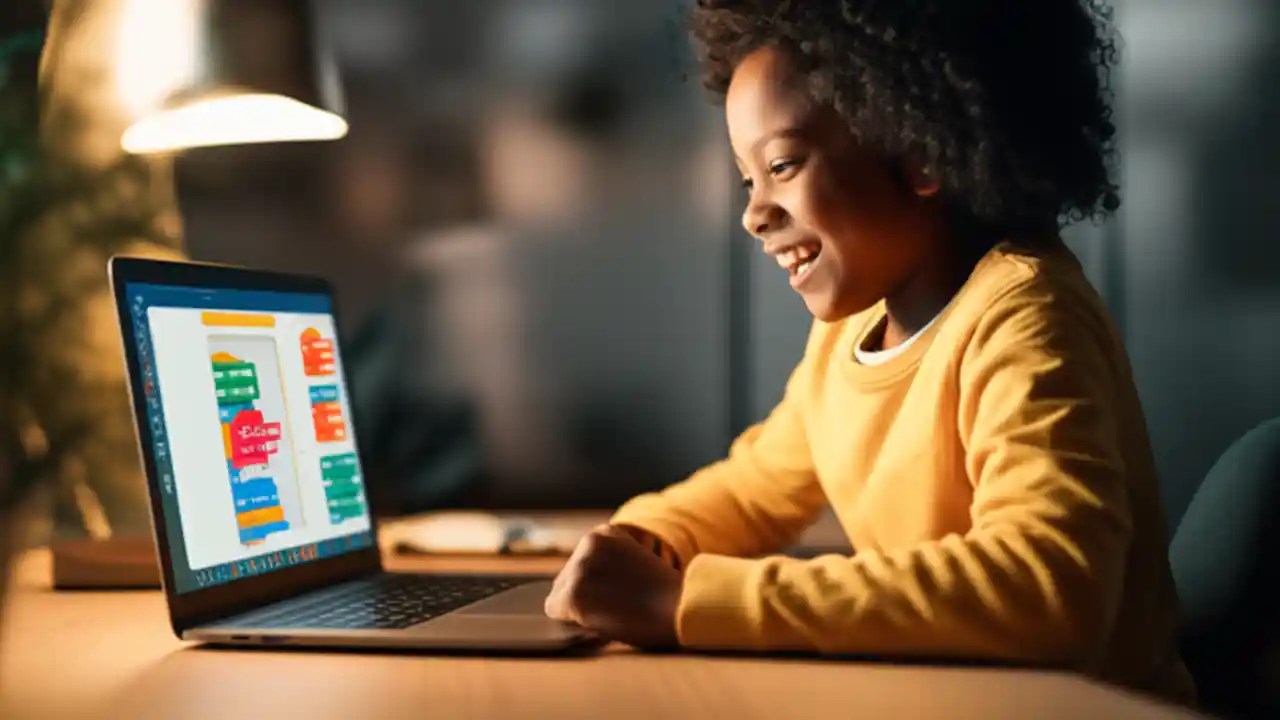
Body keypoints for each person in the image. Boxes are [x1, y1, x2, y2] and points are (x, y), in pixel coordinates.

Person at [544, 0, 1196, 705]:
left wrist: (688, 603)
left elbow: (1049, 586)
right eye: (747, 180)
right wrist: (641, 543)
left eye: (783, 165)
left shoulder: (1026, 318)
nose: (754, 213)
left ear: (919, 149)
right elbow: (758, 485)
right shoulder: (846, 339)